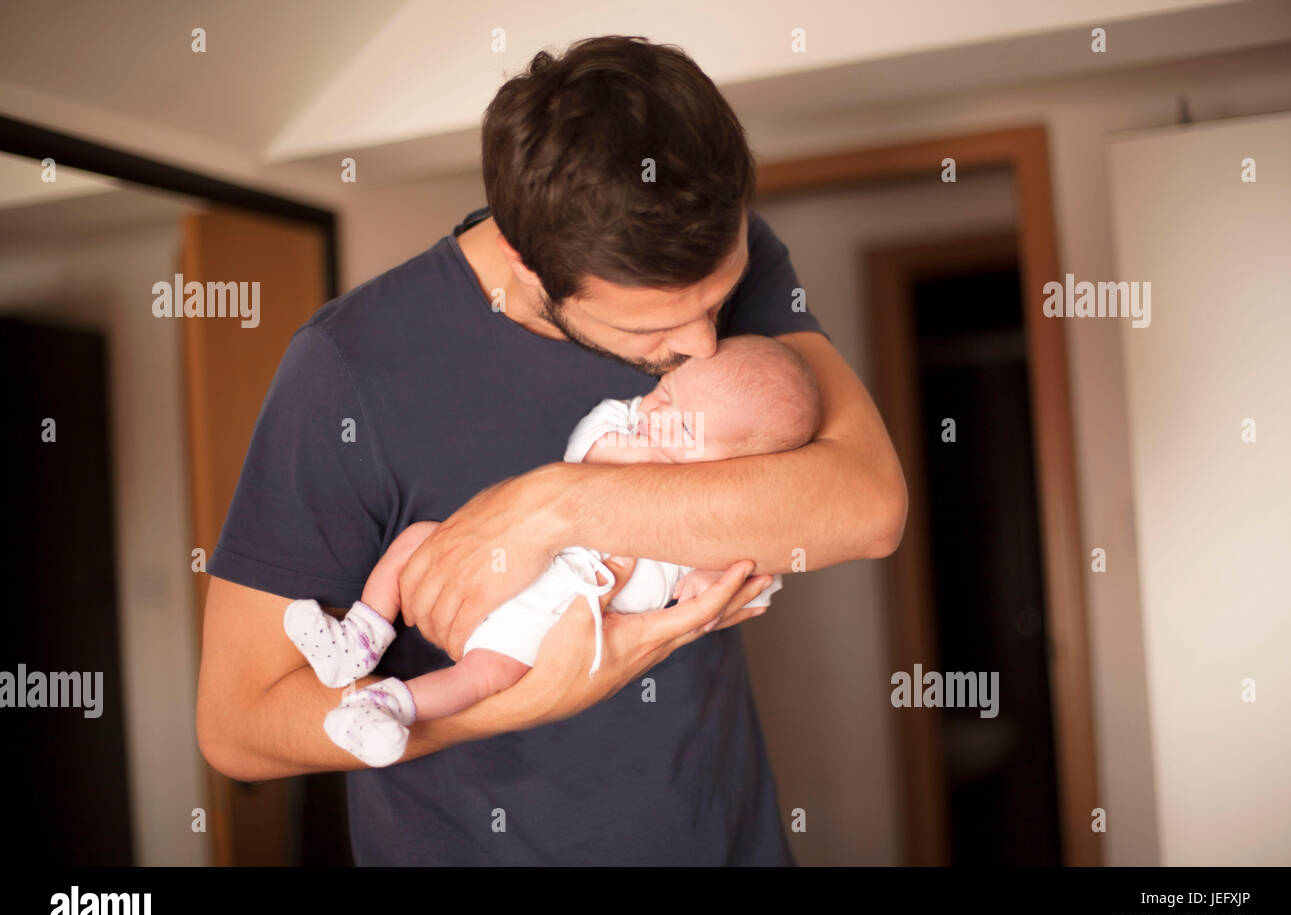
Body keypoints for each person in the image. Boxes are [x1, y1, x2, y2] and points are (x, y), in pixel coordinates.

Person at [197, 34, 906, 866]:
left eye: (721, 298)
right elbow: (237, 727)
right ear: (525, 264)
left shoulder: (707, 254)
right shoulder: (346, 369)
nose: (707, 345)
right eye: (655, 327)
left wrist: (547, 506)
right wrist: (513, 703)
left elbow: (868, 506)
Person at [281, 335, 821, 768]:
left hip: (554, 624)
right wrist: (649, 448)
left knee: (483, 677)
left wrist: (709, 574)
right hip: (508, 561)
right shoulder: (629, 422)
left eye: (682, 425)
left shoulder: (719, 516)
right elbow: (587, 449)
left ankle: (382, 707)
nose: (657, 412)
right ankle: (360, 637)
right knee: (418, 537)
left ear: (734, 469)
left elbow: (758, 567)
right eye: (666, 390)